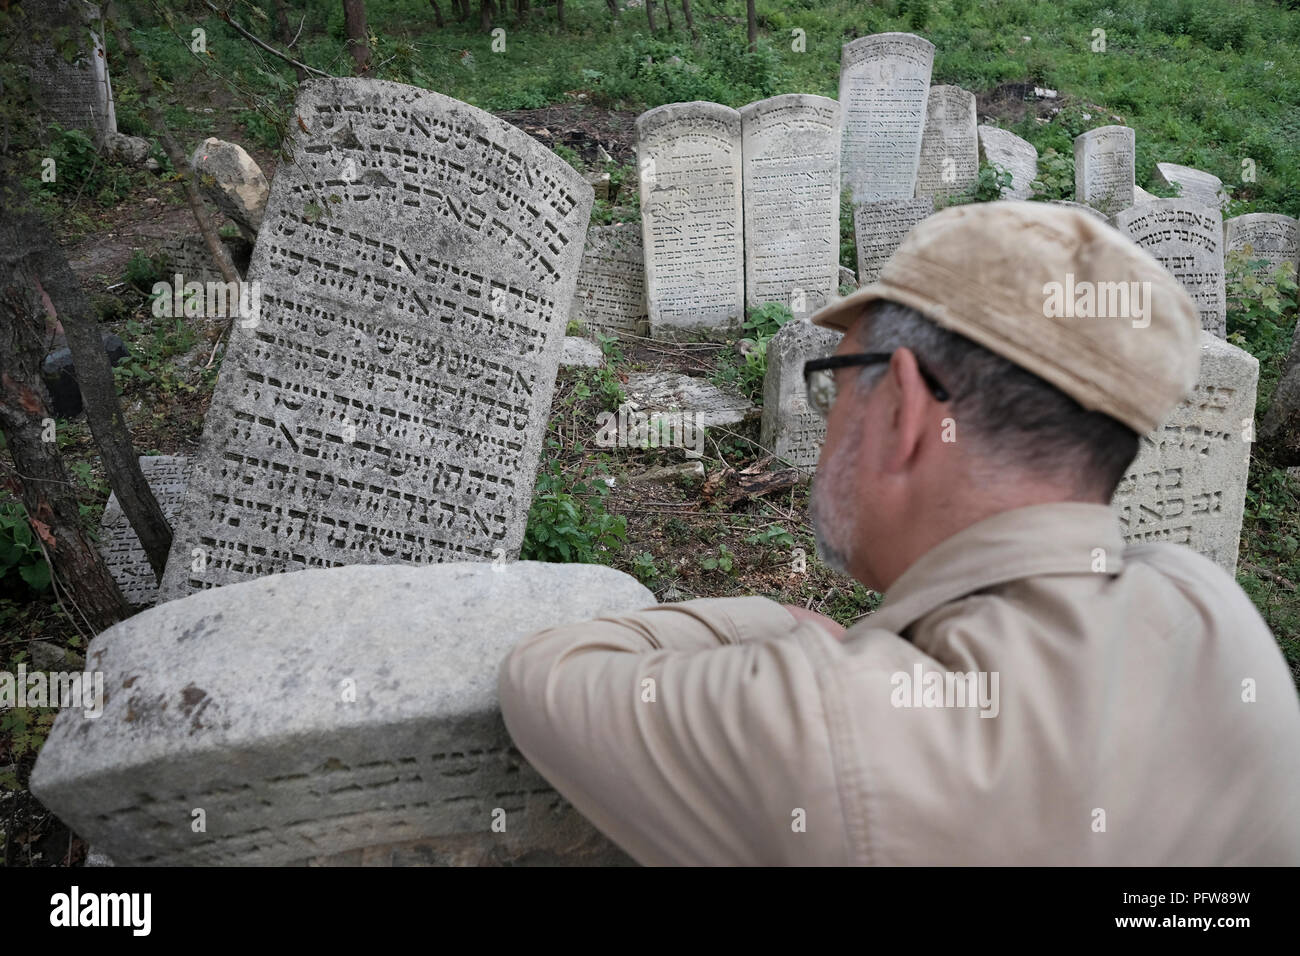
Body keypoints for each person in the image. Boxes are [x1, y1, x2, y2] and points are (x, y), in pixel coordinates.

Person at [498, 201, 1300, 865]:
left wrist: (778, 621)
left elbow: (549, 676)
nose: (827, 424)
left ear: (904, 407)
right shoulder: (1212, 611)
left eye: (835, 385)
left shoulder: (829, 723)